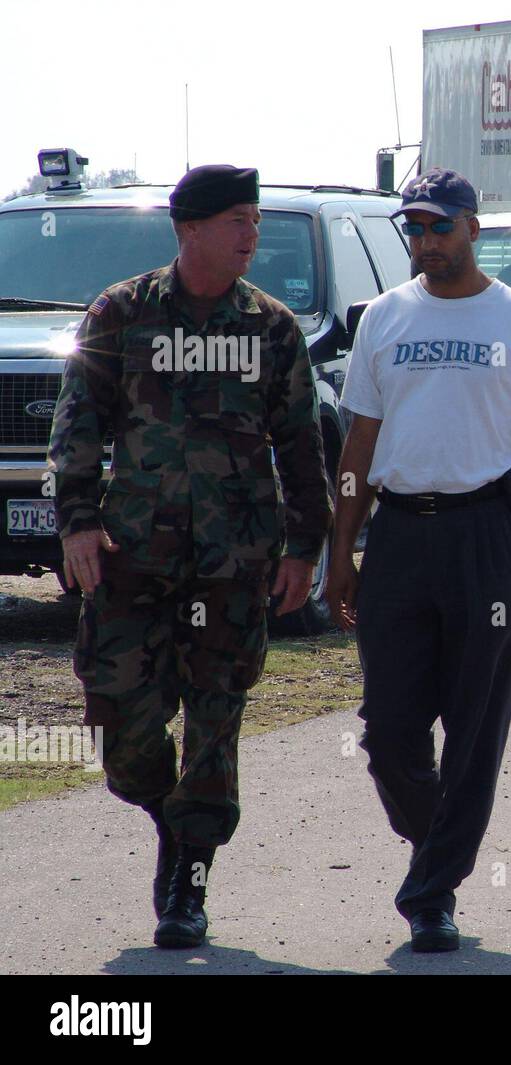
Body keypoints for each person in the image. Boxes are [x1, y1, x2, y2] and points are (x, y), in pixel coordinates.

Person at [48, 164, 331, 949]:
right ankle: (169, 818)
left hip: (235, 564)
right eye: (239, 220)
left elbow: (301, 445)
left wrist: (305, 547)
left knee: (216, 723)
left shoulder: (271, 328)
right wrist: (75, 523)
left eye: (257, 219)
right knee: (120, 725)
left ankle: (188, 880)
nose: (253, 235)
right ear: (190, 228)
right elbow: (77, 427)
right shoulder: (121, 313)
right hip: (130, 558)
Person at [327, 169, 511, 953]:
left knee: (474, 725)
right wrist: (340, 548)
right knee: (387, 729)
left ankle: (433, 891)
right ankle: (436, 853)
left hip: (486, 536)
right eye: (414, 227)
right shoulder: (383, 317)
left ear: (474, 228)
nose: (426, 241)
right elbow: (359, 441)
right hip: (401, 536)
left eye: (440, 226)